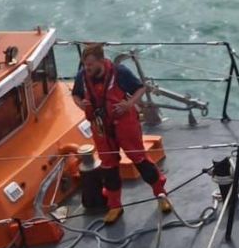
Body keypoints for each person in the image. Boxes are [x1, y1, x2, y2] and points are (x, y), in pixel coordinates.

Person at [71, 43, 171, 224]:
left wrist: (129, 104)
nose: (88, 68)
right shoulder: (83, 76)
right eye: (86, 65)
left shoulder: (120, 72)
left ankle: (161, 194)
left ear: (101, 61)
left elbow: (140, 88)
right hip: (101, 126)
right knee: (108, 166)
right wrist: (81, 105)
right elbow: (76, 95)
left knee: (139, 159)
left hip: (124, 123)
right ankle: (115, 205)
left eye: (91, 64)